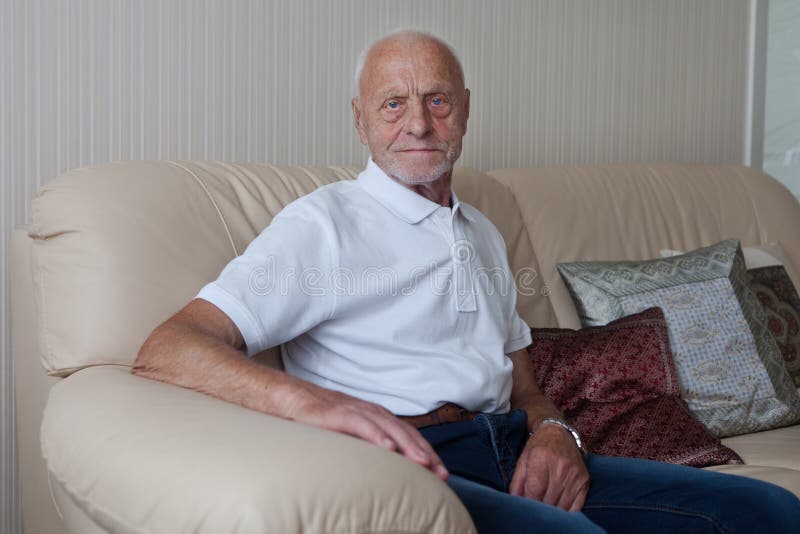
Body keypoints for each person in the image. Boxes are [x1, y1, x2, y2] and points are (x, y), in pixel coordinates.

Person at [133, 29, 800, 533]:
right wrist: (317, 406)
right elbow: (168, 348)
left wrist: (554, 435)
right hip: (403, 464)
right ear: (360, 120)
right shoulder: (323, 225)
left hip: (509, 446)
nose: (418, 123)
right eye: (392, 105)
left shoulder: (480, 232)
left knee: (767, 510)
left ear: (466, 111)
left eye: (437, 101)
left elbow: (527, 386)